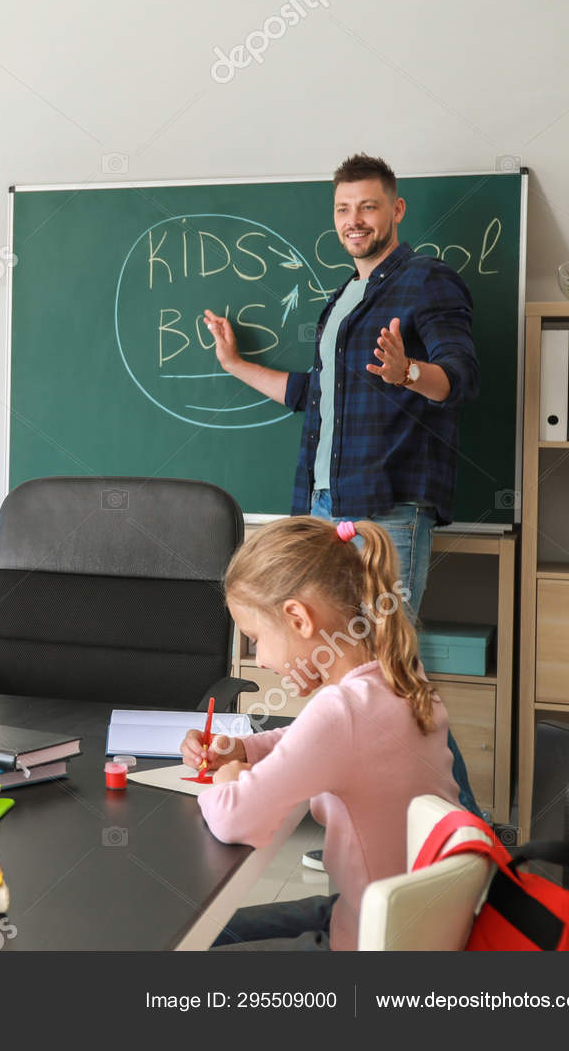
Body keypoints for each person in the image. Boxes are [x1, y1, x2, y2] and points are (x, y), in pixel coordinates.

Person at [203, 151, 483, 826]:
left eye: (366, 206)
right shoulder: (342, 300)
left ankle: (462, 831)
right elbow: (312, 395)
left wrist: (407, 370)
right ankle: (367, 824)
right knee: (338, 671)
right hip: (324, 509)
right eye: (342, 209)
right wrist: (236, 364)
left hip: (385, 508)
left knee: (391, 679)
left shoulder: (427, 282)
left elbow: (459, 377)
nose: (354, 220)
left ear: (395, 210)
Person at [184, 516, 460, 950]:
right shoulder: (395, 677)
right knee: (204, 932)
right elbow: (328, 745)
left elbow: (236, 818)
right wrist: (246, 748)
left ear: (297, 618)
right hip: (401, 924)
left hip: (367, 941)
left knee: (181, 945)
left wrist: (227, 778)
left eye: (256, 638)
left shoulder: (343, 711)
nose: (258, 659)